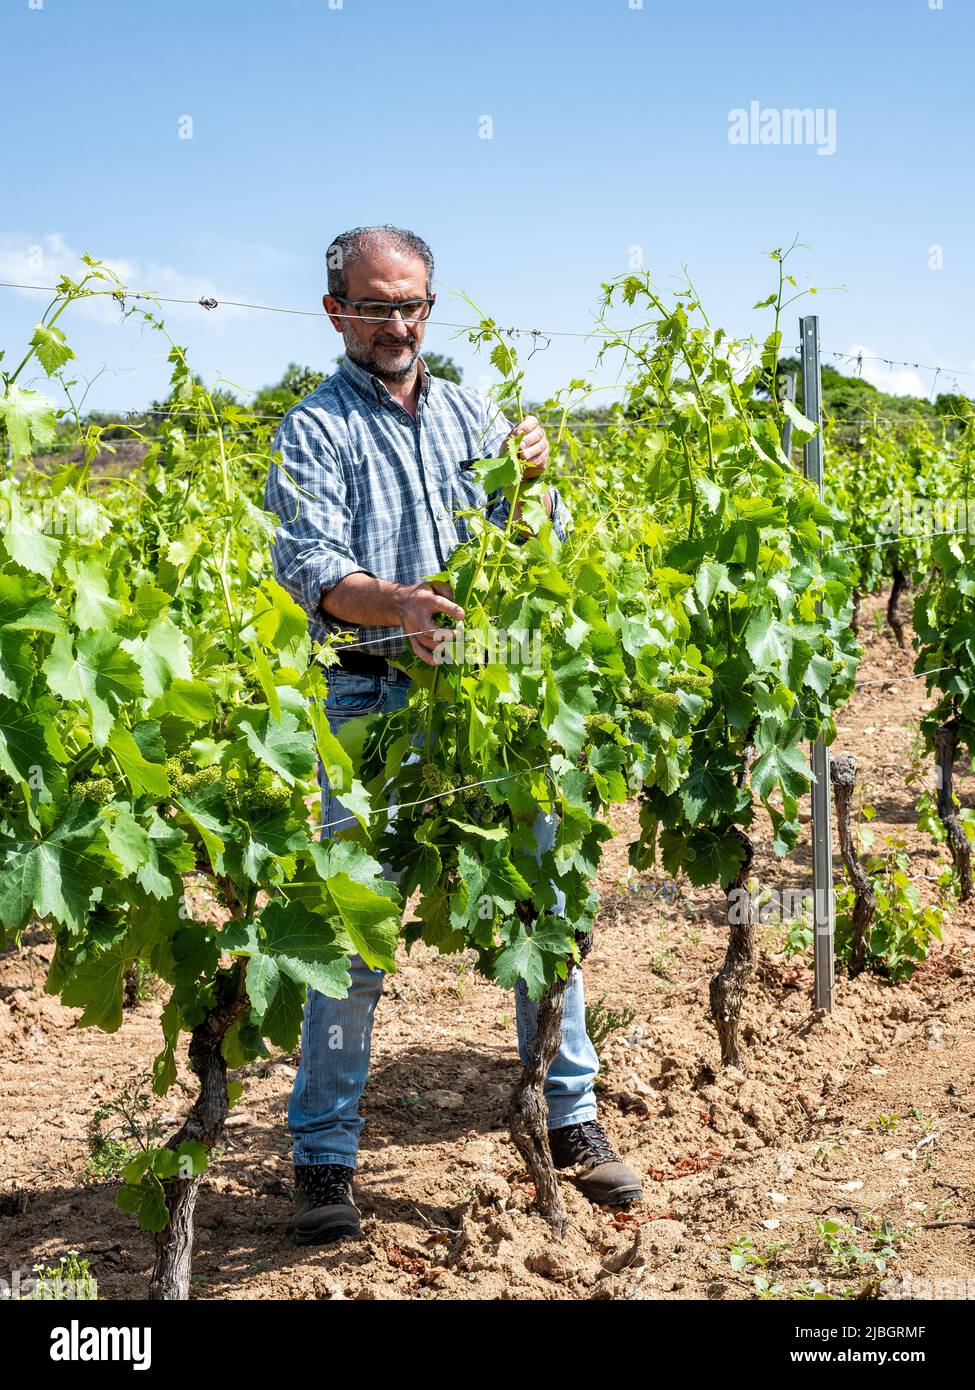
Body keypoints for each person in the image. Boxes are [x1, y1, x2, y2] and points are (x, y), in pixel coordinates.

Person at [264, 225, 642, 1246]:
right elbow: (312, 570)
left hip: (484, 699)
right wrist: (400, 605)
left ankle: (569, 1119)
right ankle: (325, 1154)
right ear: (337, 309)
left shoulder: (478, 412)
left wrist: (534, 484)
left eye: (415, 303)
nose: (399, 322)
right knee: (355, 931)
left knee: (541, 897)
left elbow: (538, 543)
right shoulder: (312, 431)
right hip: (366, 700)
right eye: (379, 304)